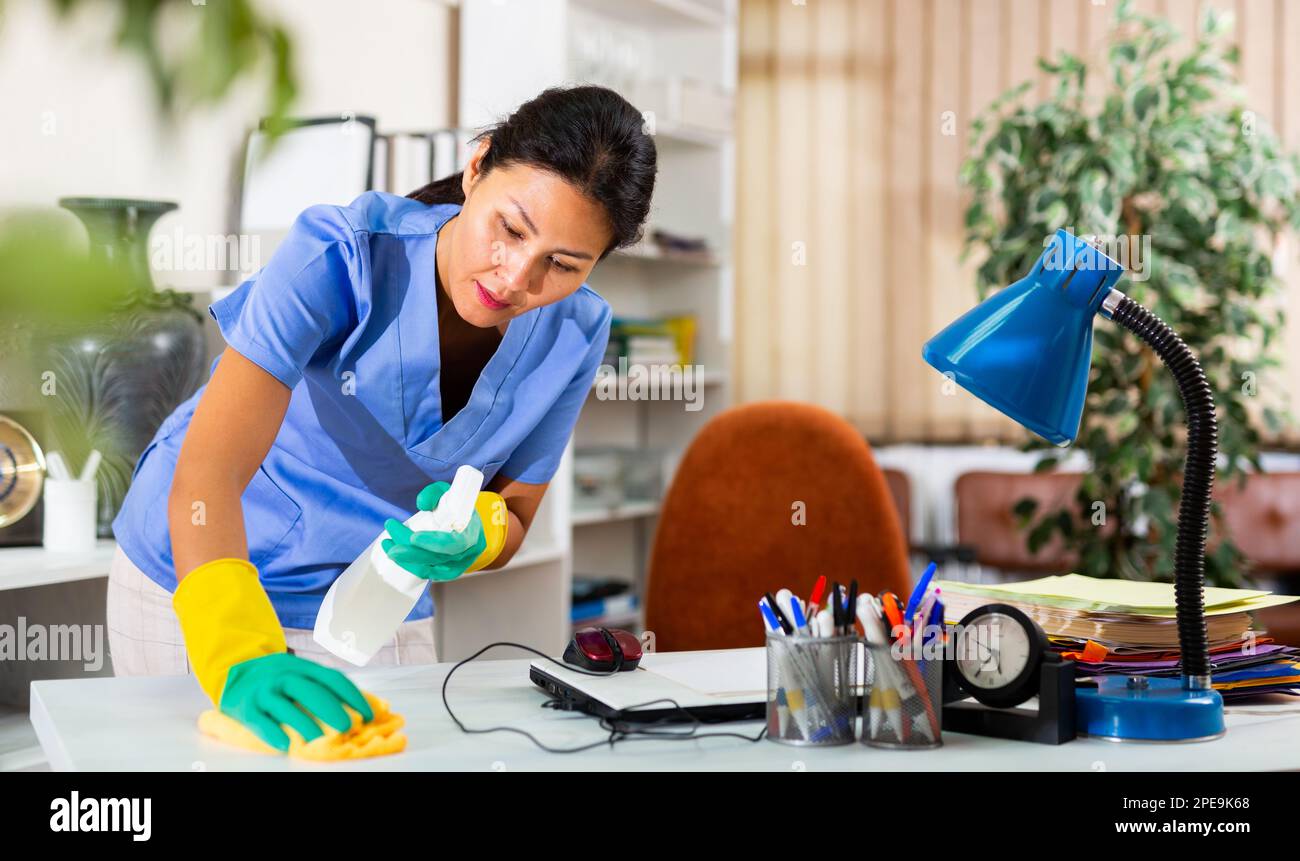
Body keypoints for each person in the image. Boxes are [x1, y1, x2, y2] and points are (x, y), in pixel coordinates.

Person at [107, 85, 657, 751]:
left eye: (563, 264)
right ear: (477, 166)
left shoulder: (578, 330)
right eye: (509, 229)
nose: (516, 276)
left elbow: (515, 514)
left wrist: (476, 535)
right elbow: (207, 476)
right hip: (198, 576)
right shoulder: (338, 255)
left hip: (371, 601)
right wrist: (238, 653)